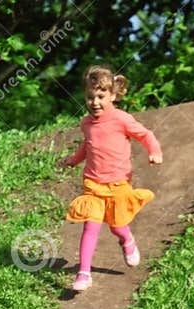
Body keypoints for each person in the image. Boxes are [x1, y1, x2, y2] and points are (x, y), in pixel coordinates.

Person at [57, 65, 163, 291]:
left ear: (113, 95)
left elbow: (146, 135)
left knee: (117, 225)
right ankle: (84, 273)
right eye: (89, 97)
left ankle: (127, 240)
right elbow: (88, 145)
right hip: (93, 186)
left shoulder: (121, 119)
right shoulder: (86, 123)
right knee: (90, 227)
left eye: (101, 96)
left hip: (118, 185)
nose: (94, 102)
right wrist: (74, 160)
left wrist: (154, 151)